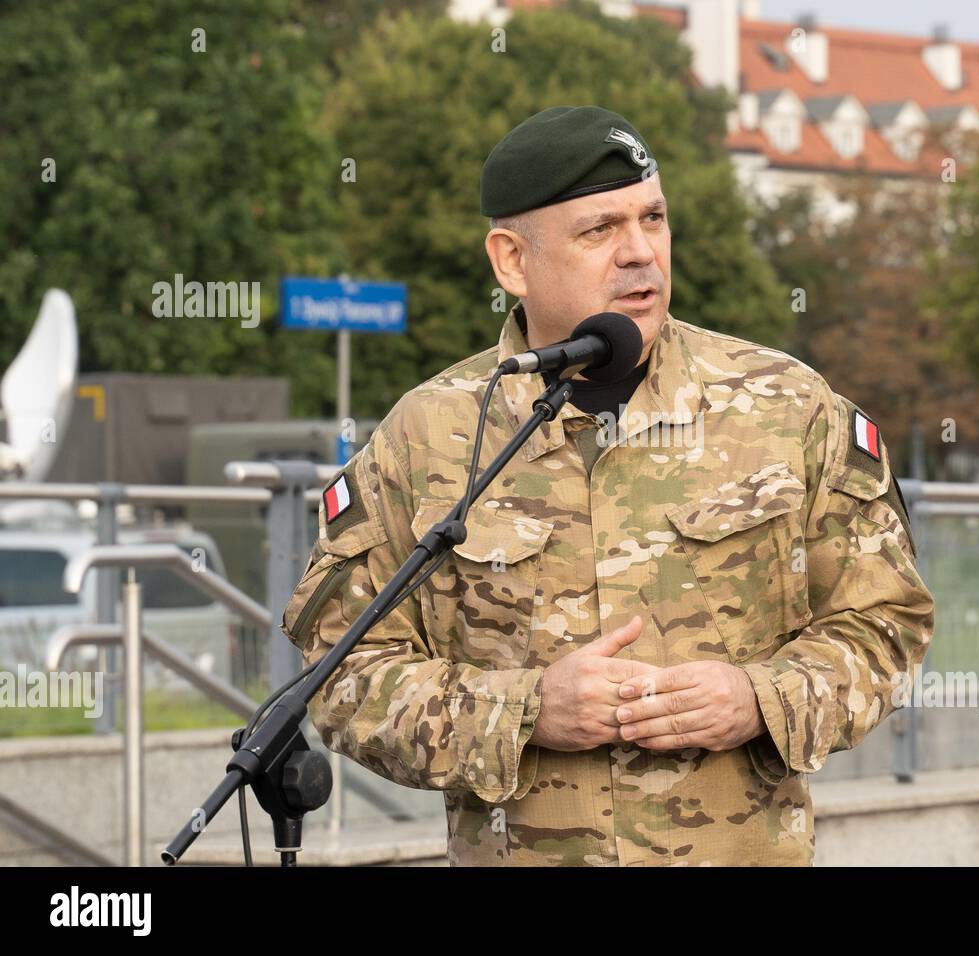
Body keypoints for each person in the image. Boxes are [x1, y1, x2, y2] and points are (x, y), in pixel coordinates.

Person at [282, 105, 935, 866]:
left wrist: (760, 699)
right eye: (600, 230)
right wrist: (524, 712)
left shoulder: (788, 408)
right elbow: (341, 678)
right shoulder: (426, 438)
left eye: (652, 220)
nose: (640, 255)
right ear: (511, 261)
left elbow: (886, 624)